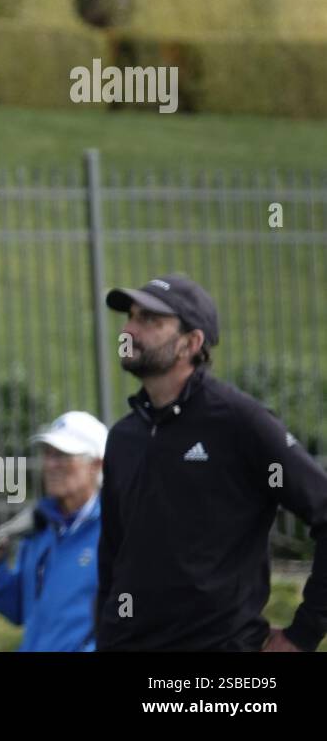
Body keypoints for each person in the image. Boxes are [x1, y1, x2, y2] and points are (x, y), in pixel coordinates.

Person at [95, 274, 327, 651]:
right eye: (131, 318)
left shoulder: (240, 422)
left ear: (191, 342)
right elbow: (113, 559)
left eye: (149, 321)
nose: (129, 331)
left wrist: (304, 632)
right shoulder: (124, 436)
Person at [0, 411, 107, 651]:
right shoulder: (40, 526)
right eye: (48, 454)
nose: (50, 464)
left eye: (63, 455)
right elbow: (20, 610)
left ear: (96, 464)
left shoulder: (117, 530)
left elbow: (132, 617)